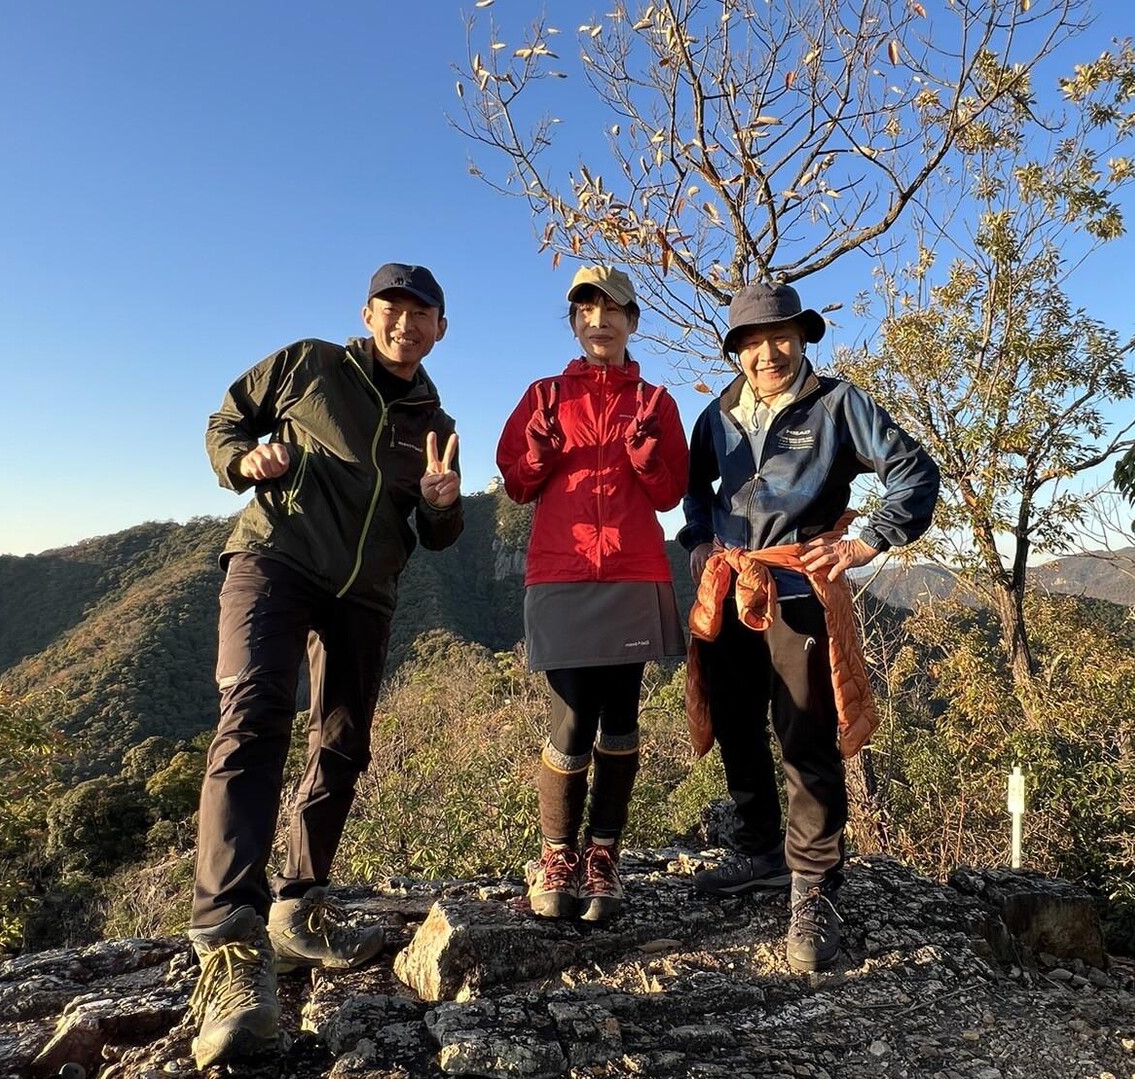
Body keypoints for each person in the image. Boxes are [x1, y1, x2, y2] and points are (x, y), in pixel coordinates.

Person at [187, 263, 463, 1068]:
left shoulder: (435, 420)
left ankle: (297, 904)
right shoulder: (311, 364)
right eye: (392, 309)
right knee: (254, 717)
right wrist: (245, 461)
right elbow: (226, 419)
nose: (405, 324)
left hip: (365, 590)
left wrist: (443, 502)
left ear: (441, 329)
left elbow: (439, 533)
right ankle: (228, 941)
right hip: (274, 558)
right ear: (368, 314)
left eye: (422, 314)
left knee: (342, 743)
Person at [679, 281, 939, 973]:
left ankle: (815, 883)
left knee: (805, 732)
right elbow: (694, 488)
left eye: (781, 336)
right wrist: (698, 537)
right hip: (730, 588)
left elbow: (914, 470)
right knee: (736, 721)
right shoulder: (717, 416)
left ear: (801, 339)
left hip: (797, 586)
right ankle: (761, 850)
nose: (768, 352)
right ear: (736, 352)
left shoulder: (837, 404)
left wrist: (868, 540)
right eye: (753, 342)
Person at [496, 265, 688, 922]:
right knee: (572, 718)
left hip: (632, 571)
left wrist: (645, 458)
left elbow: (670, 493)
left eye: (612, 310)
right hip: (561, 572)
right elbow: (517, 483)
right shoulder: (544, 395)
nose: (598, 320)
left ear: (632, 321)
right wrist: (540, 453)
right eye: (585, 309)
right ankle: (557, 854)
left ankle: (603, 856)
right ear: (574, 321)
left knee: (622, 716)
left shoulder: (657, 402)